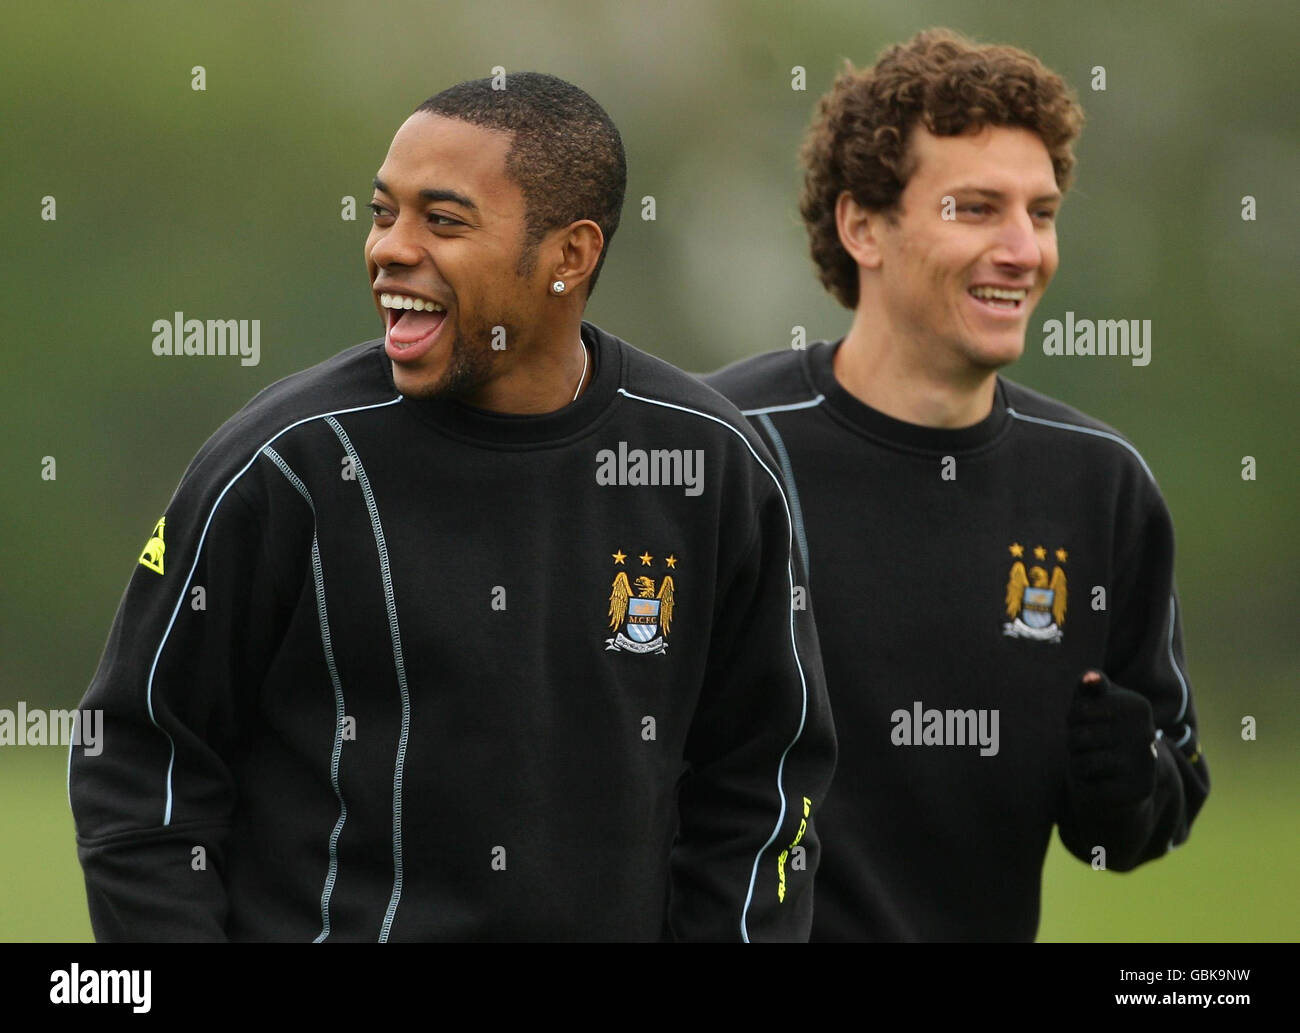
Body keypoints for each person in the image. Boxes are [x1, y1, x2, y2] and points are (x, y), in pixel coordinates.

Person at [70, 72, 835, 942]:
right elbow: (138, 758)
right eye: (381, 212)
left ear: (570, 255)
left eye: (442, 220)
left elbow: (764, 784)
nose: (390, 248)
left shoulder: (710, 465)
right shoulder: (285, 464)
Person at [704, 30, 1208, 941]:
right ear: (863, 227)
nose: (1025, 248)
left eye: (1042, 213)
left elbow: (1158, 793)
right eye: (977, 208)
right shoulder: (720, 452)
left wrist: (1131, 787)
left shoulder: (1100, 486)